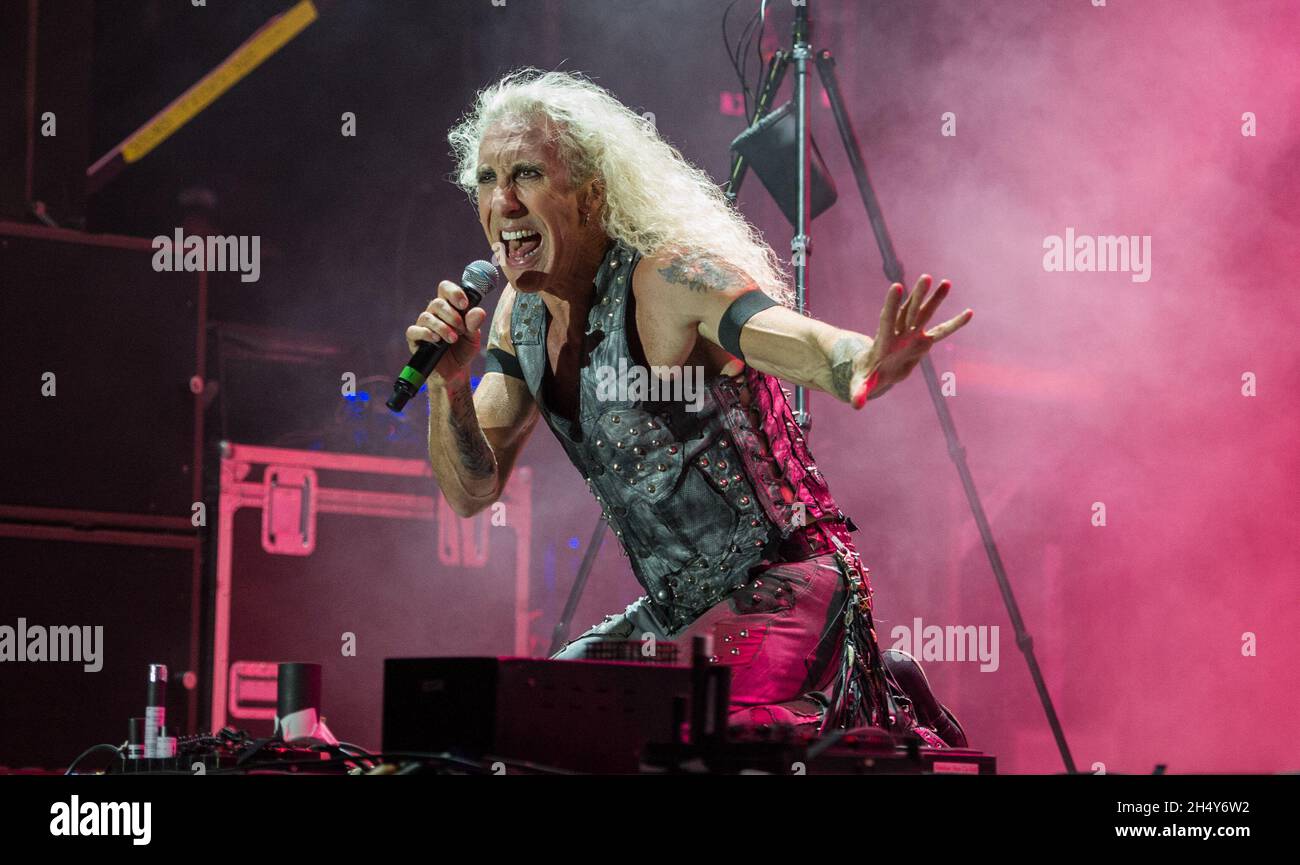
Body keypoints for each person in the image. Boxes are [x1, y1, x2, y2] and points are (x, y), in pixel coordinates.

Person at [407, 68, 972, 743]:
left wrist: (862, 360)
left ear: (588, 194)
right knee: (531, 723)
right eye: (486, 182)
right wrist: (449, 385)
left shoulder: (667, 276)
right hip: (679, 612)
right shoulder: (516, 318)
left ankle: (873, 702)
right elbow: (472, 490)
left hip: (788, 581)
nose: (503, 202)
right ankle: (866, 690)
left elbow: (787, 338)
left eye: (525, 174)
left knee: (682, 730)